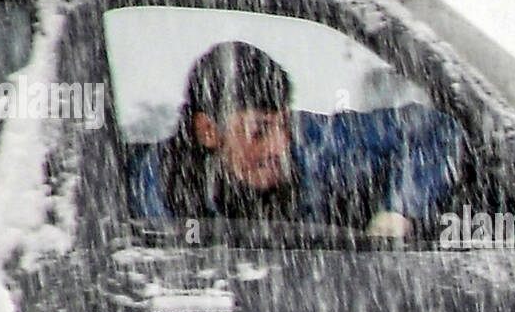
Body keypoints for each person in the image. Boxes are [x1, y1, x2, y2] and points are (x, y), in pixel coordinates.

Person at [145, 40, 462, 236]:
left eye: (283, 125)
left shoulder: (313, 144)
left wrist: (400, 209)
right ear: (208, 132)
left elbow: (435, 130)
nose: (280, 146)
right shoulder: (157, 192)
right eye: (259, 131)